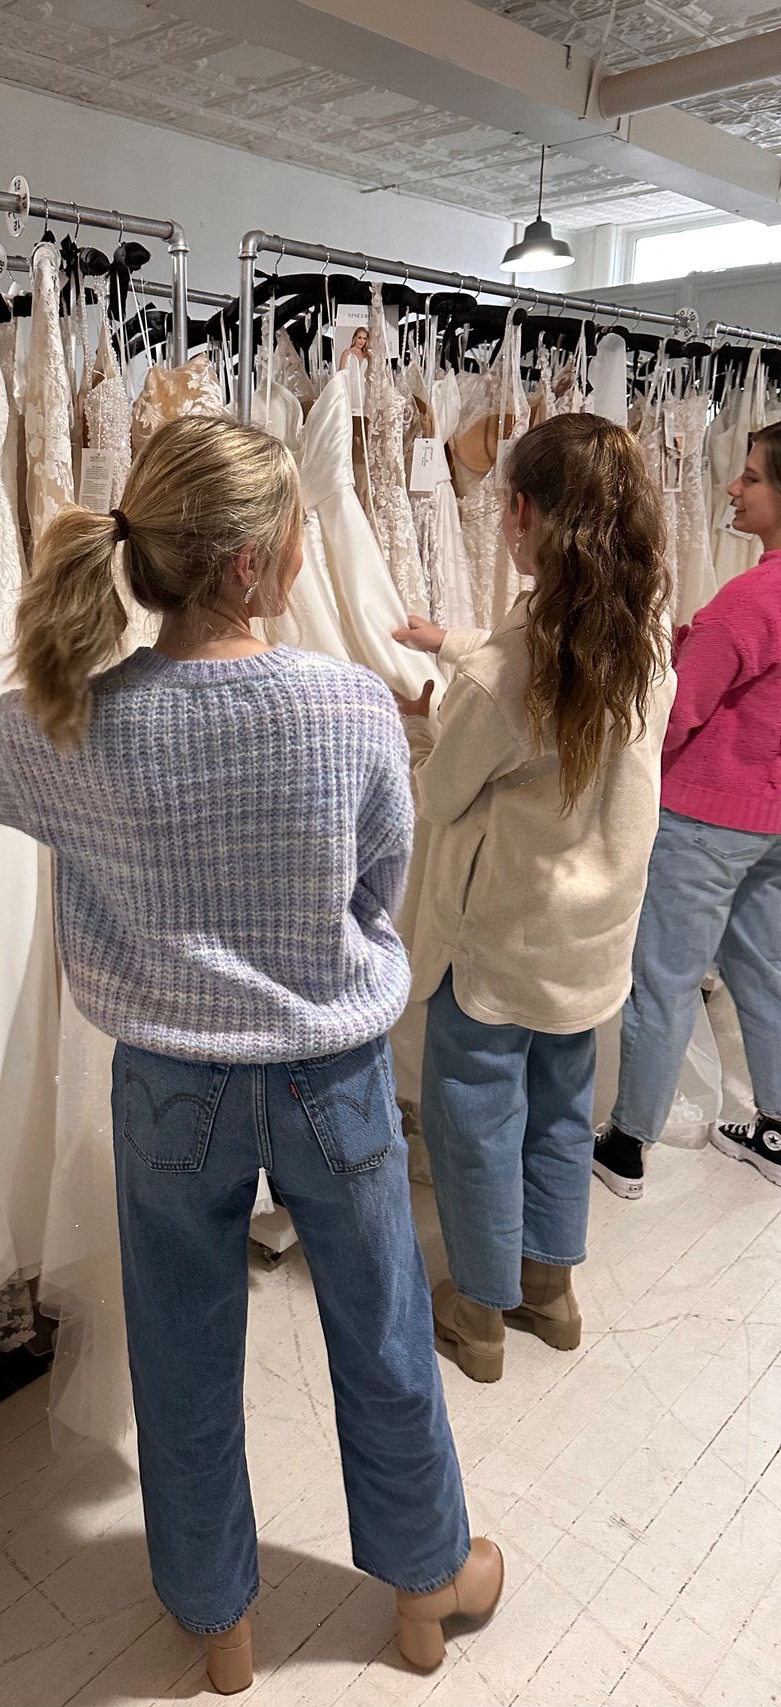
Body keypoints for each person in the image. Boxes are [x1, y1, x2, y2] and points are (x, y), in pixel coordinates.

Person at [0, 417, 501, 1691]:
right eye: (297, 534)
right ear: (253, 564)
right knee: (379, 1329)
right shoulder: (348, 706)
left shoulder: (75, 725)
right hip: (330, 1078)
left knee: (181, 1351)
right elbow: (377, 880)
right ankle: (424, 1588)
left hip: (167, 1087)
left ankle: (218, 1625)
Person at [392, 413, 674, 1384]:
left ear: (518, 513)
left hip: (498, 945)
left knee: (474, 1116)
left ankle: (476, 1312)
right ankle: (549, 1292)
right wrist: (456, 644)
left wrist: (428, 711)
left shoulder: (500, 674)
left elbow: (442, 792)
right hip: (590, 939)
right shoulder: (646, 642)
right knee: (560, 1106)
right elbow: (548, 667)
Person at [594, 424, 781, 1198]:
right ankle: (776, 1129)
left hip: (708, 816)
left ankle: (627, 1143)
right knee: (765, 971)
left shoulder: (751, 600)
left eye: (752, 478)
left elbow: (677, 713)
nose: (733, 488)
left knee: (664, 979)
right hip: (770, 816)